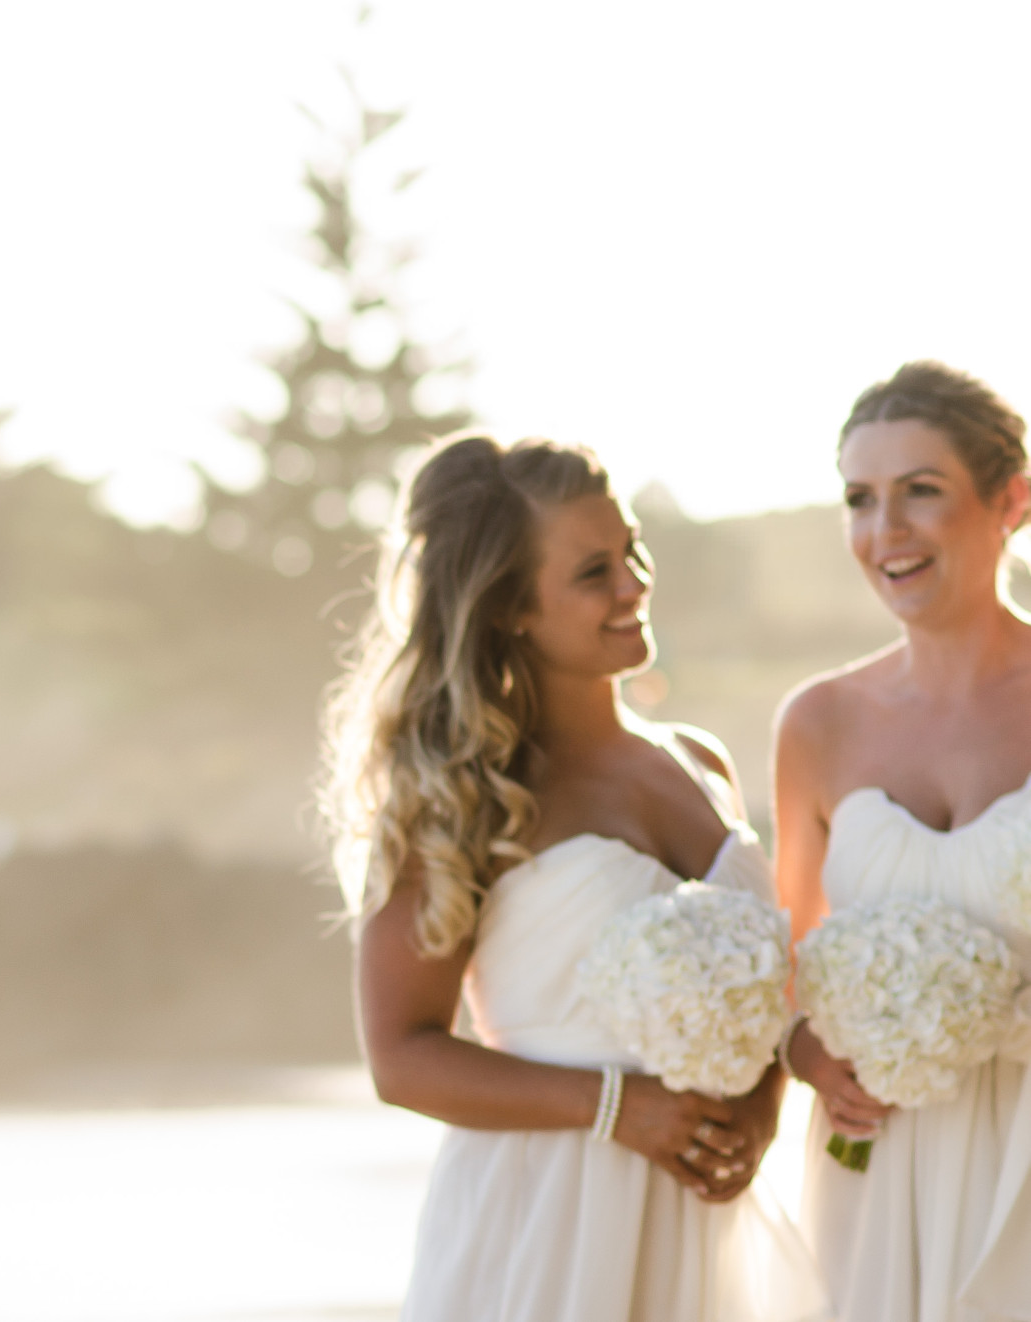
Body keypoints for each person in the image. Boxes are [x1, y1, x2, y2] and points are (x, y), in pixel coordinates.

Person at [324, 434, 827, 1322]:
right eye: (595, 571)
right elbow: (401, 1057)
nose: (635, 583)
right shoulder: (463, 791)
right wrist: (614, 1108)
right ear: (513, 605)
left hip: (708, 1219)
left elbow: (766, 985)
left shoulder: (700, 761)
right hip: (549, 1220)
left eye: (631, 548)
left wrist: (760, 1108)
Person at [774, 360, 1031, 1320]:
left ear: (1012, 500)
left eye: (921, 493)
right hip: (876, 1159)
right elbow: (791, 963)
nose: (886, 532)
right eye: (860, 500)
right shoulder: (819, 723)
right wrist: (812, 1059)